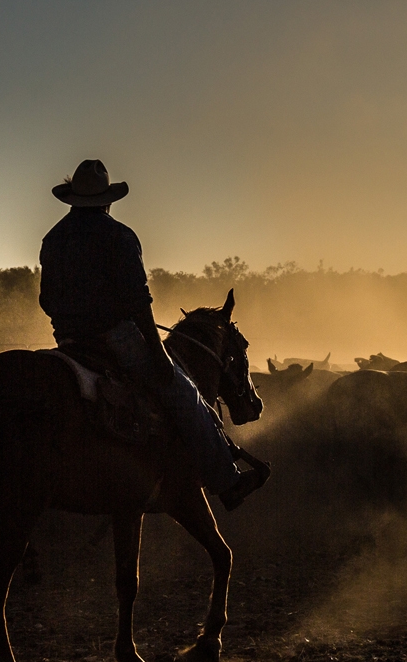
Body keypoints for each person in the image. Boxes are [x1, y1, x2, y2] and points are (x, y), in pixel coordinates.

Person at [38, 159, 267, 510]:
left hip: (68, 340)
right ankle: (228, 480)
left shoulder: (53, 238)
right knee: (185, 394)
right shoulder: (119, 236)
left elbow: (47, 300)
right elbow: (138, 300)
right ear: (107, 200)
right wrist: (157, 353)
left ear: (72, 199)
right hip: (115, 338)